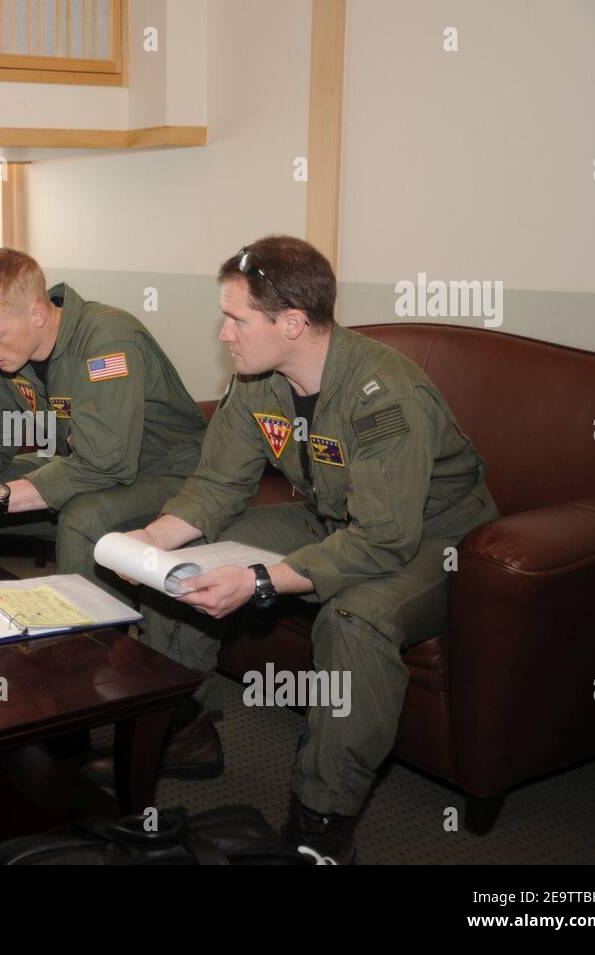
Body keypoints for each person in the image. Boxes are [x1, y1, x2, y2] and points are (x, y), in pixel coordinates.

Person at [108, 235, 499, 862]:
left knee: (356, 618)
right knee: (183, 558)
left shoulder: (383, 395)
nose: (224, 335)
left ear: (292, 322)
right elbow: (215, 484)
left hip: (434, 538)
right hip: (333, 517)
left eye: (236, 319)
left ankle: (321, 823)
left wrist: (261, 581)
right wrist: (151, 540)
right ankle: (185, 725)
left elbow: (383, 538)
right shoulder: (260, 383)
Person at [0, 247, 220, 778]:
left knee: (82, 520)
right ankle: (5, 659)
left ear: (37, 314)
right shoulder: (4, 353)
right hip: (93, 464)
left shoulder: (108, 340)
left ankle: (79, 706)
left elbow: (108, 462)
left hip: (168, 471)